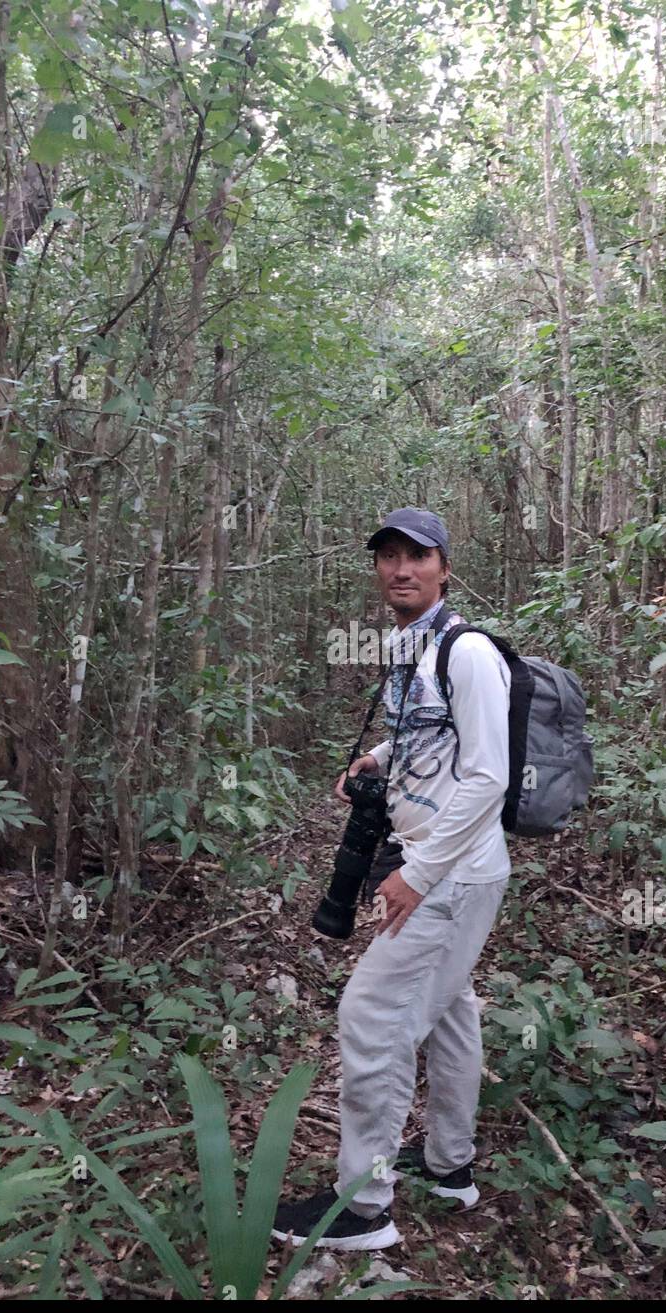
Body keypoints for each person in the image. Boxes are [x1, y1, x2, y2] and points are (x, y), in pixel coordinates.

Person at [272, 507, 512, 1251]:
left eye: (417, 555)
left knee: (372, 1019)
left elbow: (488, 776)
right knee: (449, 1012)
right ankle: (448, 1166)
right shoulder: (416, 644)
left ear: (444, 565)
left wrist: (417, 871)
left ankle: (364, 1206)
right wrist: (376, 757)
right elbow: (425, 730)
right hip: (449, 870)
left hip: (450, 872)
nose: (400, 569)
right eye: (388, 556)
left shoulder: (467, 652)